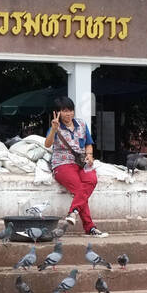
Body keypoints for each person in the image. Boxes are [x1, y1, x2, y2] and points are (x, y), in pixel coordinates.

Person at [45, 95, 108, 237]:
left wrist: (90, 156)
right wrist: (54, 129)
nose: (68, 114)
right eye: (65, 111)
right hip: (62, 164)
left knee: (92, 179)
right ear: (58, 112)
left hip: (81, 162)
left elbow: (88, 143)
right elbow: (47, 144)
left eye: (71, 110)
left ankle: (73, 212)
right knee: (80, 189)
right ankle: (90, 228)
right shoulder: (56, 127)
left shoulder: (82, 124)